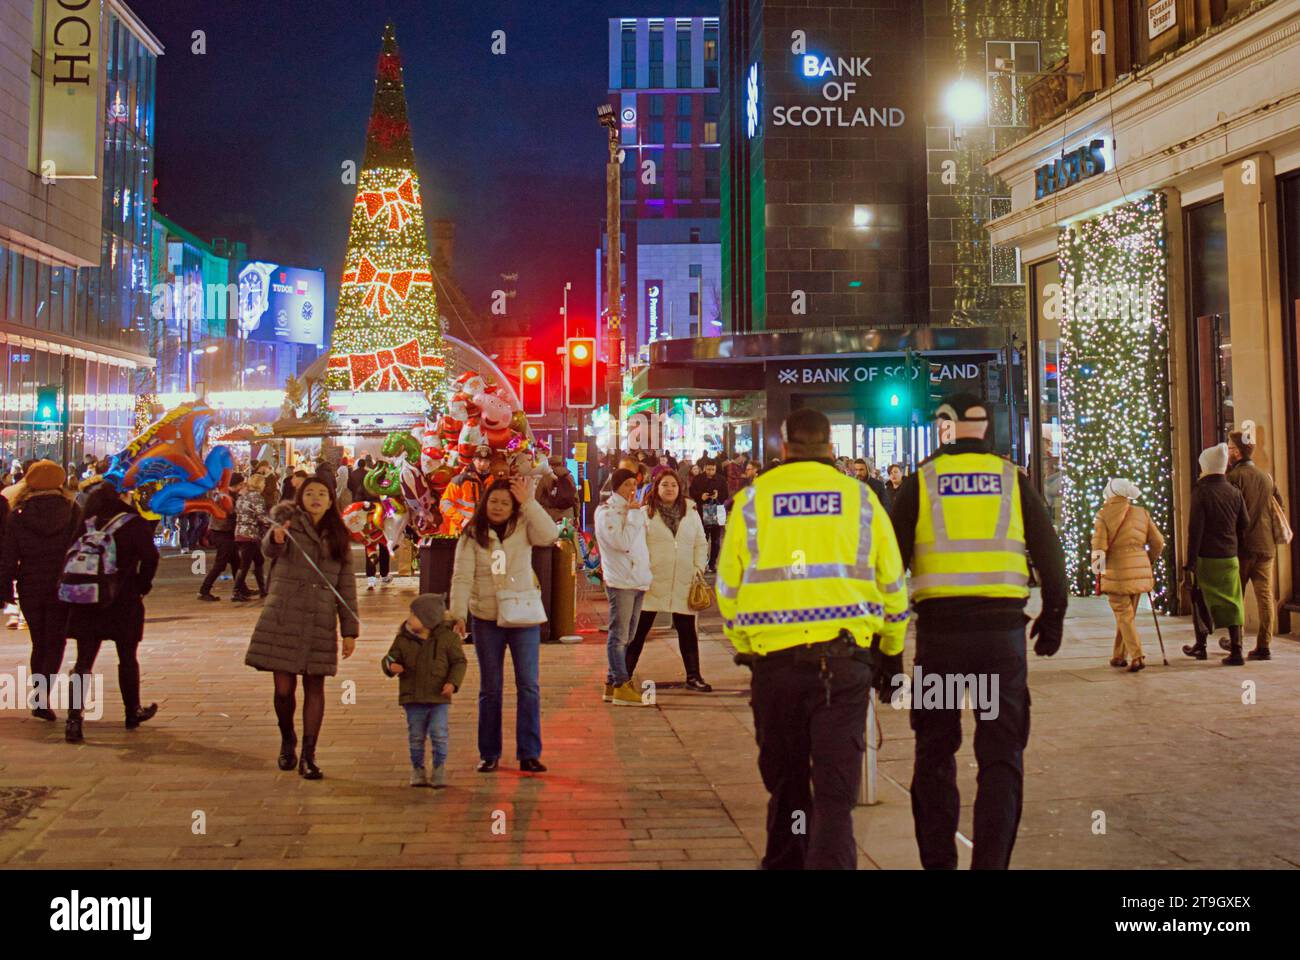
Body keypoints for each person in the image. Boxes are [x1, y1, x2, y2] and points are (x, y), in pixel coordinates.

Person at [717, 409, 908, 869]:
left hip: (775, 667)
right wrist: (892, 651)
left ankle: (785, 861)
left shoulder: (752, 501)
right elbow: (893, 584)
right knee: (834, 798)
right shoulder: (862, 500)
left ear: (783, 449)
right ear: (830, 449)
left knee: (787, 790)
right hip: (843, 667)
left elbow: (728, 588)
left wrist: (746, 642)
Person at [889, 392, 1067, 870]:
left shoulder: (921, 482)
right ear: (986, 428)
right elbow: (1051, 554)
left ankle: (939, 863)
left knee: (933, 754)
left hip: (940, 642)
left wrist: (885, 654)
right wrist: (1053, 618)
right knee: (1001, 758)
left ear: (945, 426)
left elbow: (887, 567)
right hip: (999, 643)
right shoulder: (1012, 480)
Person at [245, 478, 359, 779]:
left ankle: (309, 755)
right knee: (283, 689)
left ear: (331, 499)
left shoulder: (338, 534)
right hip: (284, 615)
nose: (316, 498)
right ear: (300, 497)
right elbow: (268, 550)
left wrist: (350, 630)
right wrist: (277, 538)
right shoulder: (287, 522)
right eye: (310, 493)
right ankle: (287, 739)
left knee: (315, 687)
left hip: (319, 619)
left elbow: (346, 585)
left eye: (322, 493)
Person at [450, 476, 555, 773]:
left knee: (528, 686)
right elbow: (461, 576)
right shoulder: (472, 533)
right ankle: (489, 752)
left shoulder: (524, 527)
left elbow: (549, 535)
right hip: (486, 618)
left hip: (522, 616)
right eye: (493, 501)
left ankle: (529, 752)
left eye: (505, 502)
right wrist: (457, 614)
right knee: (490, 688)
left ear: (514, 506)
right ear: (485, 503)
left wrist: (530, 502)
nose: (498, 507)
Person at [64, 482, 160, 743]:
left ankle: (74, 719)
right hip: (123, 597)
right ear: (121, 496)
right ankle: (132, 711)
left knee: (83, 661)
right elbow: (150, 556)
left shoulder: (87, 522)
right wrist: (142, 584)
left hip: (87, 598)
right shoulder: (133, 522)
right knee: (127, 657)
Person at [0, 461, 80, 720]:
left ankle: (39, 695)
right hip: (63, 582)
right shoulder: (72, 510)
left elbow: (9, 556)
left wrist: (5, 589)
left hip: (31, 582)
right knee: (56, 641)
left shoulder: (18, 513)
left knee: (39, 641)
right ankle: (42, 695)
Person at [625, 467, 711, 691]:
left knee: (687, 630)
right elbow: (635, 544)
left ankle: (694, 676)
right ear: (656, 487)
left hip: (683, 579)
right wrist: (641, 570)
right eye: (665, 485)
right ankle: (622, 676)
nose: (670, 489)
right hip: (652, 579)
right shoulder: (645, 513)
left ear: (680, 488)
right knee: (638, 631)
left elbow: (701, 543)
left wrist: (698, 568)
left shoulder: (691, 512)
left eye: (673, 485)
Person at [382, 593, 467, 788]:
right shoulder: (403, 639)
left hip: (439, 697)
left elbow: (459, 662)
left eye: (414, 615)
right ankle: (417, 768)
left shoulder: (447, 638)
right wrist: (390, 666)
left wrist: (453, 683)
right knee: (416, 735)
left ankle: (438, 767)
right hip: (413, 697)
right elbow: (389, 659)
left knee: (439, 733)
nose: (409, 619)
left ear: (428, 619)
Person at [1182, 443, 1249, 665]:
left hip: (1207, 557)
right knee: (1233, 602)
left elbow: (1196, 531)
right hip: (1230, 556)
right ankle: (1237, 648)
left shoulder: (1201, 492)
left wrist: (1190, 562)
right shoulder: (1234, 492)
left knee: (1200, 599)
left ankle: (1201, 646)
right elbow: (1245, 523)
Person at [1091, 478, 1164, 673]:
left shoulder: (1103, 515)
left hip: (1117, 571)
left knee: (1124, 614)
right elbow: (1158, 541)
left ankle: (1137, 655)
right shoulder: (1142, 513)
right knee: (1127, 614)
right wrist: (1148, 560)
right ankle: (1118, 655)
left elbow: (1099, 546)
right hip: (1140, 568)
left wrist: (1097, 570)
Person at [595, 467, 652, 706]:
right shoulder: (607, 512)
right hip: (621, 580)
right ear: (617, 486)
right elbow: (622, 543)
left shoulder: (631, 510)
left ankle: (611, 683)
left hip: (637, 578)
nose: (632, 489)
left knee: (628, 634)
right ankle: (621, 683)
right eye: (628, 484)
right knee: (618, 635)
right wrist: (635, 516)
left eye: (635, 485)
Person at [1226, 430, 1279, 660]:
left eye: (1229, 448)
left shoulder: (1234, 478)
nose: (1228, 452)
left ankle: (1235, 643)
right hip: (1266, 545)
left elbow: (1230, 514)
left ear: (1237, 452)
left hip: (1242, 546)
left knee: (1235, 595)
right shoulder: (1265, 476)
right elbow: (1280, 507)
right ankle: (1264, 645)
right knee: (1265, 596)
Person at [198, 472, 246, 601]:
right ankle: (204, 590)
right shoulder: (226, 497)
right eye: (241, 484)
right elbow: (231, 514)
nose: (242, 486)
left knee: (236, 562)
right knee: (221, 563)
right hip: (222, 532)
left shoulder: (225, 494)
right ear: (236, 485)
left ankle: (241, 588)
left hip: (224, 532)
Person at [233, 473, 272, 602]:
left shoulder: (243, 497)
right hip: (250, 534)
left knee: (259, 560)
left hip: (240, 532)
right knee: (245, 564)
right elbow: (262, 517)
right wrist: (273, 523)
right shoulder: (257, 498)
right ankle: (237, 591)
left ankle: (263, 589)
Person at [440, 445, 494, 536]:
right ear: (473, 460)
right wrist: (461, 520)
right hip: (460, 531)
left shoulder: (492, 483)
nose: (482, 463)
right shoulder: (460, 480)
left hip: (481, 532)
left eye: (486, 461)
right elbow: (444, 503)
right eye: (479, 460)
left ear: (490, 462)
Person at [689, 458, 730, 572]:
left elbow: (726, 494)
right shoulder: (698, 479)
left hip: (716, 509)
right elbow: (691, 492)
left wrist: (718, 495)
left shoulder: (721, 479)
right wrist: (700, 496)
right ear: (704, 468)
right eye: (708, 469)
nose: (710, 472)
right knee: (703, 538)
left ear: (716, 469)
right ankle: (702, 563)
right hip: (703, 510)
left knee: (716, 539)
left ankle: (713, 564)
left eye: (712, 469)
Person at [537, 455, 578, 525]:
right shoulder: (570, 477)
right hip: (568, 514)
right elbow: (576, 498)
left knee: (552, 535)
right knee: (565, 535)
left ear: (550, 465)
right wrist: (577, 516)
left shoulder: (546, 477)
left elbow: (537, 497)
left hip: (551, 515)